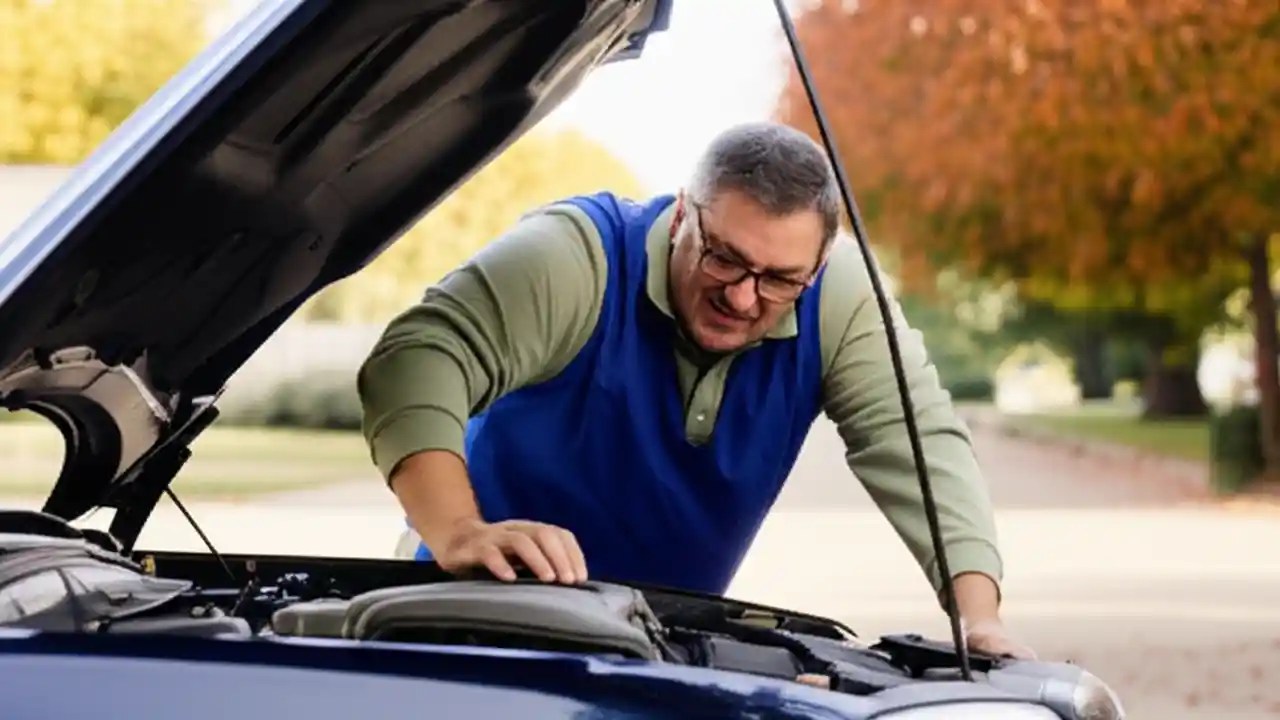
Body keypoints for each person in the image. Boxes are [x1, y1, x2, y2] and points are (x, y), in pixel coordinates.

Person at [357, 121, 1034, 660]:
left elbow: (918, 444)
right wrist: (460, 531)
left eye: (778, 279)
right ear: (682, 214)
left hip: (660, 656)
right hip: (469, 629)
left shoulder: (837, 300)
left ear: (818, 265)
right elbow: (416, 359)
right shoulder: (578, 259)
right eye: (725, 258)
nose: (743, 297)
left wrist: (980, 619)